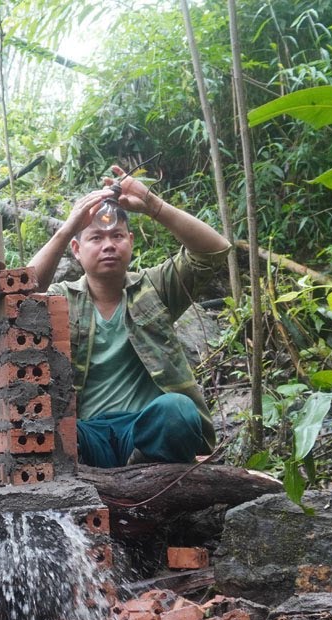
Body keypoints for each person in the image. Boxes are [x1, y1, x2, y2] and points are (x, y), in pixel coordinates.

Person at [28, 165, 231, 468]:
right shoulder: (62, 298)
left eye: (117, 236)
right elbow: (19, 294)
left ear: (131, 241)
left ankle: (142, 463)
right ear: (76, 249)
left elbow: (214, 251)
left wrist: (154, 206)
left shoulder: (154, 287)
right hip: (87, 434)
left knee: (178, 410)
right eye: (96, 238)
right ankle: (125, 470)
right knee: (41, 426)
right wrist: (68, 227)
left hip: (143, 432)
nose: (109, 245)